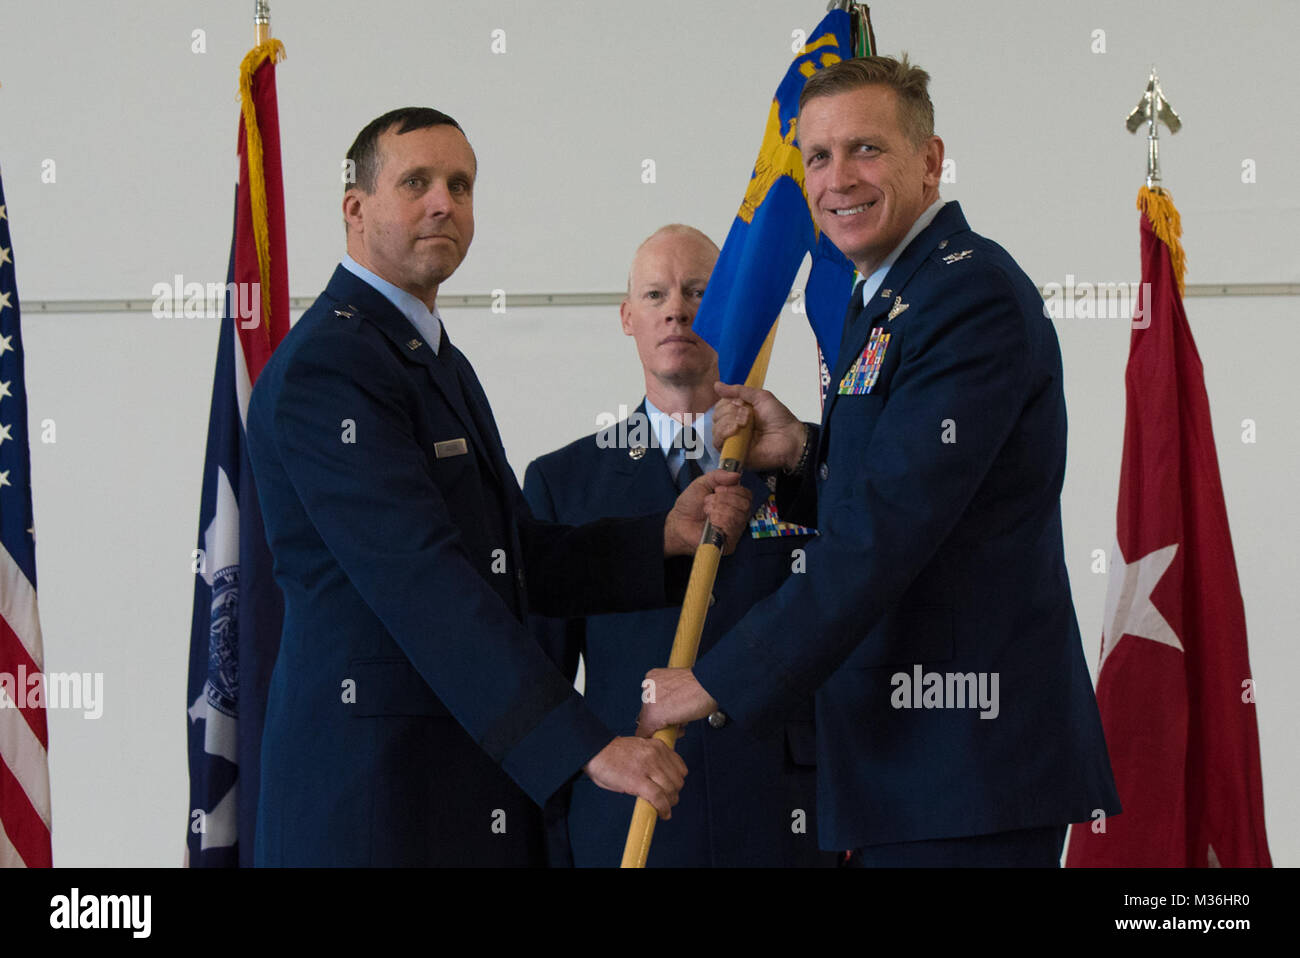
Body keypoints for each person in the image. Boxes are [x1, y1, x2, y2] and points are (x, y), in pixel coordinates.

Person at [637, 57, 1121, 867]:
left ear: (930, 161)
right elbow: (903, 487)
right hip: (903, 766)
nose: (836, 181)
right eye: (817, 157)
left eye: (865, 149)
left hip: (965, 763)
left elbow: (887, 534)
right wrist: (799, 454)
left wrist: (718, 679)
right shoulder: (893, 296)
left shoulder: (970, 298)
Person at [245, 107, 751, 866]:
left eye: (461, 184)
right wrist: (586, 746)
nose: (444, 201)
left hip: (448, 792)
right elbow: (426, 583)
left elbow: (513, 555)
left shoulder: (431, 356)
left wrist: (663, 538)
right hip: (374, 804)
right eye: (416, 182)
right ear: (355, 209)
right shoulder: (333, 365)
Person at [524, 225, 835, 867]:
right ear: (627, 316)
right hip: (629, 824)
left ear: (727, 310)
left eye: (698, 291)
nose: (677, 309)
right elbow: (538, 683)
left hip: (784, 820)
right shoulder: (563, 482)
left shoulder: (804, 462)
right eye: (656, 293)